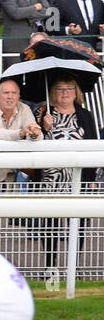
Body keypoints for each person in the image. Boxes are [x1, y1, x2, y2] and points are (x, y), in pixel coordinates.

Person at [24, 76, 98, 269]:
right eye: (60, 89)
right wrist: (44, 127)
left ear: (76, 92)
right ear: (53, 93)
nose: (65, 93)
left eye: (69, 88)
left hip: (78, 179)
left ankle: (75, 266)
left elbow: (94, 144)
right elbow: (33, 141)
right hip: (51, 180)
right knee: (50, 227)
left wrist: (92, 179)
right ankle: (51, 267)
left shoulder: (86, 116)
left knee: (79, 226)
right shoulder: (44, 114)